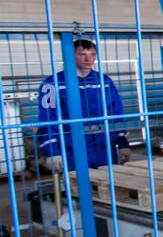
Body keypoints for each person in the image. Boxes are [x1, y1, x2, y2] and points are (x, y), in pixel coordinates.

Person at [37, 38, 131, 172]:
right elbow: (47, 118)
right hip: (71, 148)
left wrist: (122, 143)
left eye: (92, 54)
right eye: (82, 54)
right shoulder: (51, 84)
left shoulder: (104, 81)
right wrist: (52, 152)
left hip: (103, 148)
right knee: (78, 189)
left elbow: (117, 114)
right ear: (71, 56)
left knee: (108, 185)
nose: (88, 59)